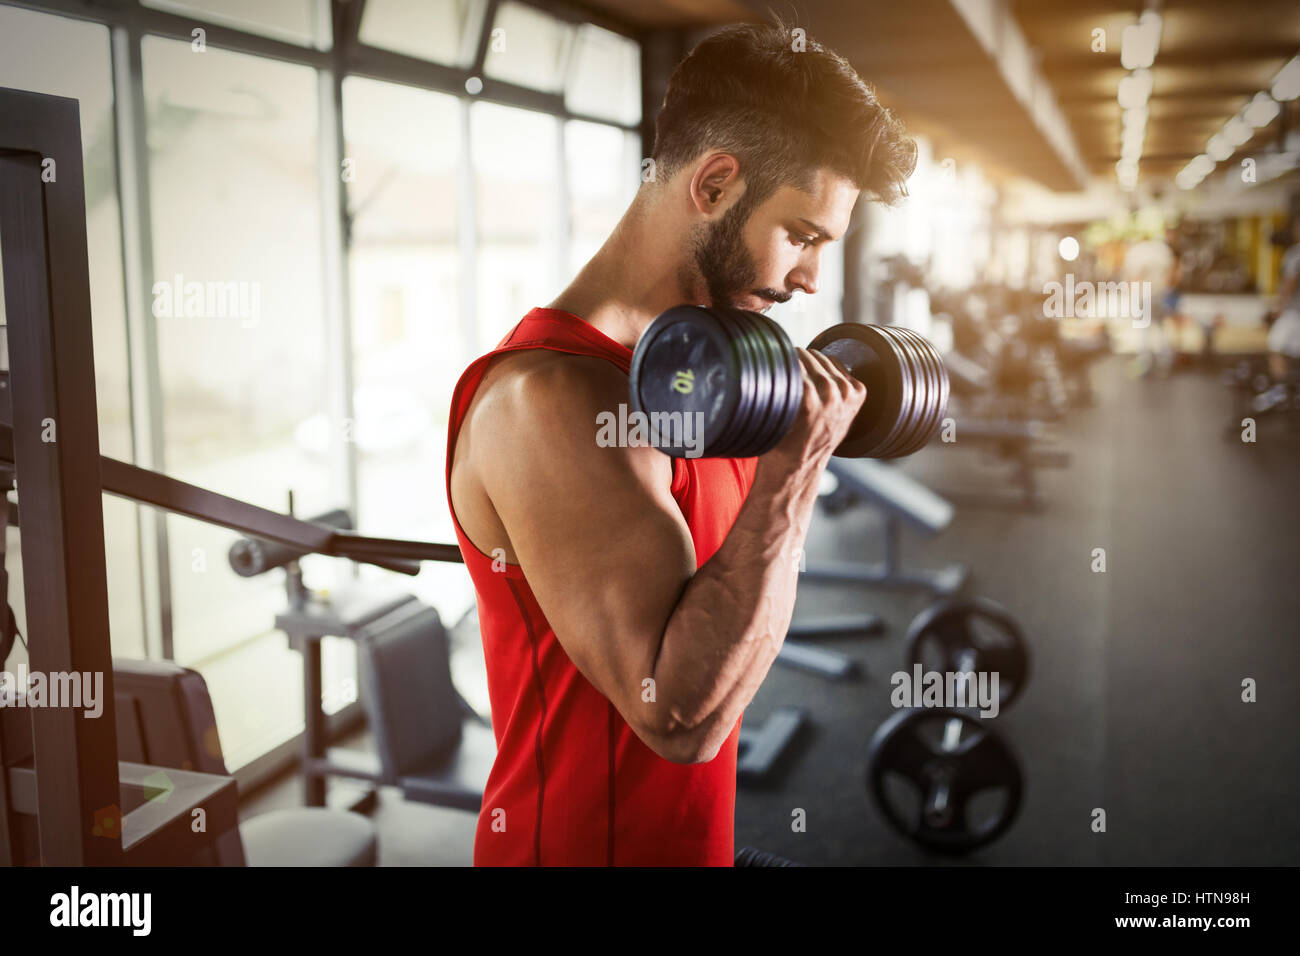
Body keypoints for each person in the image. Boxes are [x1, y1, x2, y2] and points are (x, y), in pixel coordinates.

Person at [445, 19, 915, 865]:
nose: (811, 277)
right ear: (715, 184)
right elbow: (679, 719)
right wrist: (791, 478)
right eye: (802, 235)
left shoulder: (714, 377)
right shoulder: (547, 400)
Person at [1124, 224, 1181, 377]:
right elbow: (1172, 272)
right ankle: (1165, 360)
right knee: (1161, 327)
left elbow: (1136, 275)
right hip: (1160, 293)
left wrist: (1132, 291)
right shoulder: (1162, 251)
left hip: (1145, 294)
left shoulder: (1139, 253)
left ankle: (1145, 362)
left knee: (1144, 330)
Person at [1259, 217, 1300, 409]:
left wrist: (1279, 309)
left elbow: (1288, 284)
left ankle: (1282, 391)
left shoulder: (1295, 254)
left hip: (1294, 313)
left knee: (1275, 346)